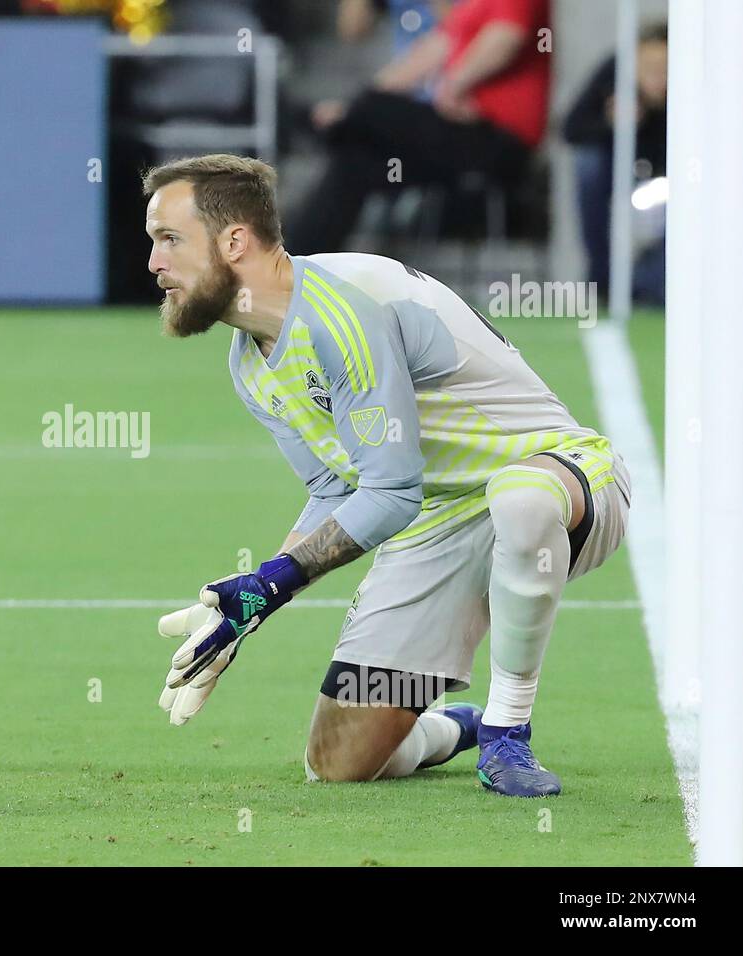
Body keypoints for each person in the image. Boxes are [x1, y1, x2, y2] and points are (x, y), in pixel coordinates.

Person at [144, 154, 631, 797]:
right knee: (340, 759)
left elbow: (391, 493)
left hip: (562, 478)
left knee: (518, 501)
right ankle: (464, 728)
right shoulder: (251, 361)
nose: (154, 263)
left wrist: (270, 584)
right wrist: (247, 608)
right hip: (438, 523)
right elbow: (336, 490)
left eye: (168, 239)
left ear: (234, 241)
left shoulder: (342, 311)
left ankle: (509, 732)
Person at [289, 0, 550, 254]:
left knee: (369, 111)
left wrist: (453, 87)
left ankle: (321, 128)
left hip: (499, 139)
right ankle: (297, 269)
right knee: (355, 162)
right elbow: (429, 54)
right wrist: (352, 109)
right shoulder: (471, 5)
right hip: (460, 130)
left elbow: (506, 39)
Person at [563, 22, 668, 304]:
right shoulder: (615, 75)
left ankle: (648, 282)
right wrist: (611, 123)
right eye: (649, 68)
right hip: (623, 174)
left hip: (672, 183)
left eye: (664, 69)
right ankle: (602, 278)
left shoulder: (693, 93)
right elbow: (570, 129)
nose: (657, 78)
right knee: (588, 164)